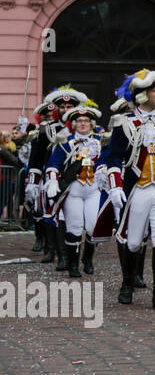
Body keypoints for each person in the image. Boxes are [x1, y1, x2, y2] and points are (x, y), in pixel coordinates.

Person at [101, 70, 155, 308]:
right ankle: (127, 283)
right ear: (142, 95)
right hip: (137, 189)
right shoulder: (123, 123)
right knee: (134, 241)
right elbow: (114, 158)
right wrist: (116, 186)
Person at [44, 101, 105, 279]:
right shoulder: (65, 143)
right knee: (74, 227)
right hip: (73, 190)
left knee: (94, 227)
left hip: (94, 188)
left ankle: (88, 258)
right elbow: (53, 164)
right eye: (79, 121)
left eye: (86, 120)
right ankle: (73, 265)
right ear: (73, 124)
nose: (83, 123)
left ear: (92, 123)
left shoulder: (101, 141)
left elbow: (108, 161)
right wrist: (53, 180)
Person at [27, 87, 86, 268]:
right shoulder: (46, 129)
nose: (66, 109)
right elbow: (36, 158)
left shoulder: (84, 127)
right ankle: (52, 251)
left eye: (70, 105)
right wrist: (33, 184)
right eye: (62, 106)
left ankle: (67, 256)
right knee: (51, 215)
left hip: (76, 181)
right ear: (56, 108)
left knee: (70, 219)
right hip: (52, 179)